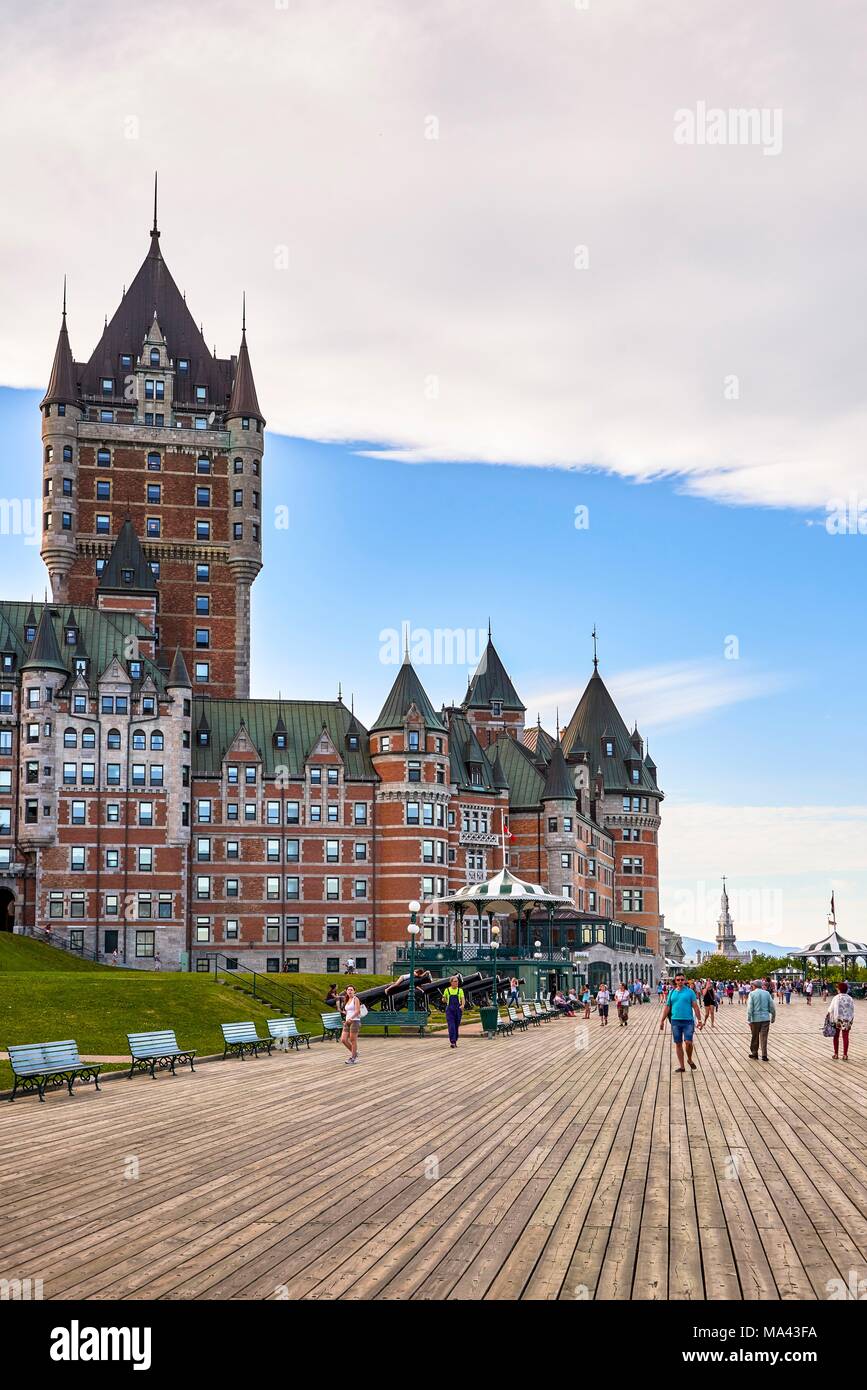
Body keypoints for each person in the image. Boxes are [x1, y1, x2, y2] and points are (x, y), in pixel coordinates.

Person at [659, 972, 702, 1072]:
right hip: (675, 1021)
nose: (680, 982)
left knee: (688, 1042)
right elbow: (667, 1007)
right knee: (678, 1043)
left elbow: (695, 1006)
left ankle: (690, 1059)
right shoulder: (672, 992)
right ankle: (682, 1066)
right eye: (678, 980)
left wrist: (699, 1020)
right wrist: (662, 1020)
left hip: (688, 1021)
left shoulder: (690, 992)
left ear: (685, 980)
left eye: (682, 980)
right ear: (675, 981)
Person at [746, 979, 776, 1061]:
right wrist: (773, 1016)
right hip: (765, 1018)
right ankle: (764, 1055)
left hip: (755, 1019)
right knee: (764, 1037)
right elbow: (772, 1006)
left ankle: (754, 1053)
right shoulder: (766, 993)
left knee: (755, 1037)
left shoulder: (752, 994)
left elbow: (750, 1008)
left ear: (754, 986)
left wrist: (749, 1019)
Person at [827, 981, 854, 1060]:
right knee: (845, 1037)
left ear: (839, 989)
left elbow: (831, 1009)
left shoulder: (836, 997)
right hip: (847, 1019)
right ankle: (845, 1054)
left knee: (836, 1036)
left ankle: (836, 1054)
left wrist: (828, 1015)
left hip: (837, 1019)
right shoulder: (850, 998)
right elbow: (852, 1009)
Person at [340, 985, 362, 1064]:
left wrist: (350, 1019)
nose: (349, 991)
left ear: (354, 991)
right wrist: (345, 1020)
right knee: (343, 1039)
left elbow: (357, 1011)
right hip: (347, 1022)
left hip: (354, 1021)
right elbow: (347, 1012)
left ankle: (353, 1058)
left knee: (353, 1040)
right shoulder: (347, 999)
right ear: (346, 991)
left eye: (351, 990)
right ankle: (355, 1053)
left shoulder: (356, 999)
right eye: (348, 990)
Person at [441, 975, 465, 1047]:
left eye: (457, 981)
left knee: (456, 1025)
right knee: (451, 1026)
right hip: (450, 1010)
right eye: (455, 981)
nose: (457, 982)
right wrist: (444, 999)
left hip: (458, 1009)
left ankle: (455, 1039)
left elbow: (463, 999)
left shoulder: (460, 990)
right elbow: (443, 999)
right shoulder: (447, 990)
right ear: (451, 982)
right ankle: (453, 1042)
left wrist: (462, 1005)